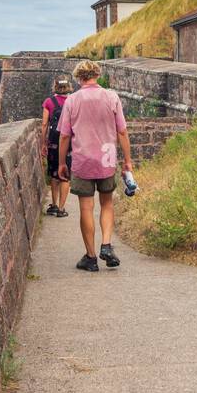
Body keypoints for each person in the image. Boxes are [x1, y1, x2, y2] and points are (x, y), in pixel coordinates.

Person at [57, 60, 134, 272]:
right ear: (97, 75)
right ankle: (107, 245)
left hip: (83, 160)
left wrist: (62, 163)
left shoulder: (72, 100)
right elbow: (122, 132)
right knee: (107, 204)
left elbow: (64, 136)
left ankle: (91, 258)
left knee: (86, 208)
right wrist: (127, 161)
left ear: (79, 78)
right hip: (107, 158)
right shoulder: (111, 97)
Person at [42, 77, 74, 218]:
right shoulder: (73, 101)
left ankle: (54, 206)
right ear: (68, 87)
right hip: (69, 144)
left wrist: (43, 143)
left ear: (55, 86)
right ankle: (61, 209)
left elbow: (44, 124)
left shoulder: (49, 102)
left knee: (54, 175)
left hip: (54, 142)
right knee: (65, 177)